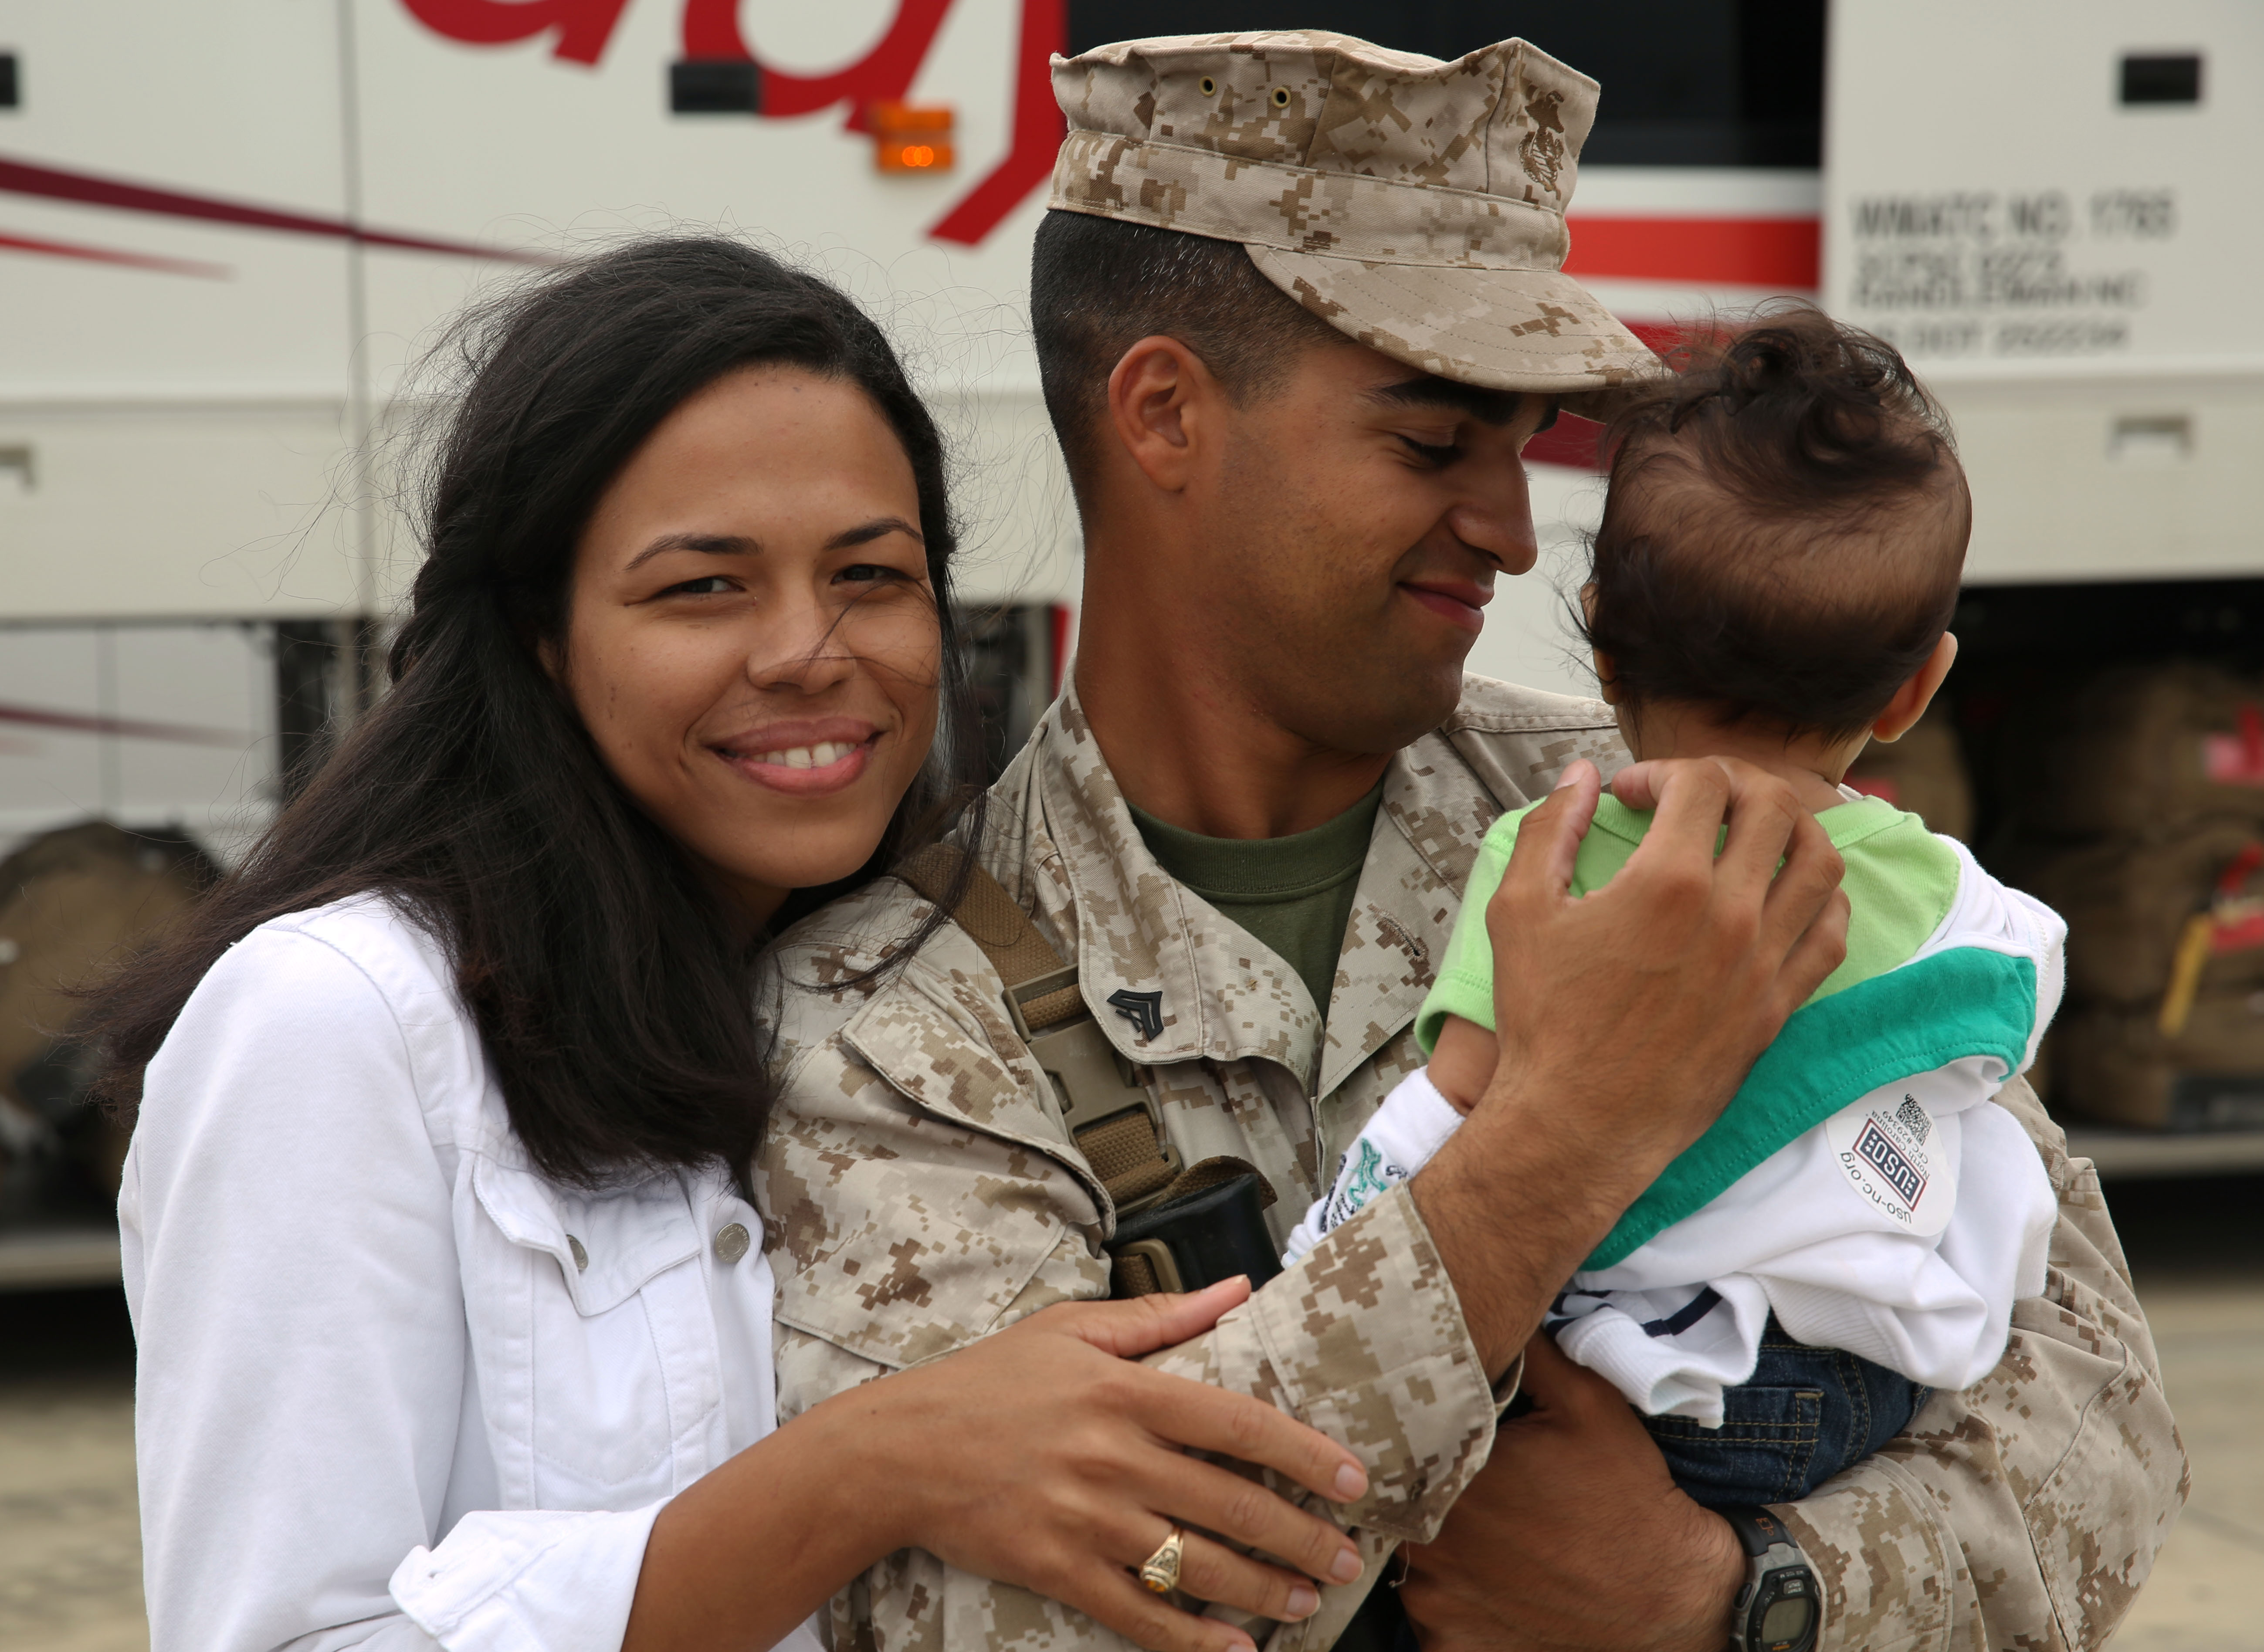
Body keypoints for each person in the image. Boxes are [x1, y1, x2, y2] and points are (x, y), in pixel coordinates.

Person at [760, 30, 2185, 1652]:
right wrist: (1543, 1157)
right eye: (1434, 444)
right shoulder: (891, 1024)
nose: (1515, 533)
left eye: (1524, 449)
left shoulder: (1688, 815)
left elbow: (2102, 1430)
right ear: (1163, 413)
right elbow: (962, 1622)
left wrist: (1733, 1596)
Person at [89, 237, 1386, 1652]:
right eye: (703, 588)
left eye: (869, 575)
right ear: (539, 635)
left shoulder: (925, 995)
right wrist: (877, 1465)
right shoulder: (337, 1022)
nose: (805, 650)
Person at [1285, 307, 2068, 1512]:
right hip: (1871, 1392)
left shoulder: (1546, 854)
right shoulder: (1945, 893)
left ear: (1598, 643)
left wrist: (1322, 1258)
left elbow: (1448, 1113)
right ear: (1915, 691)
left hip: (1659, 1390)